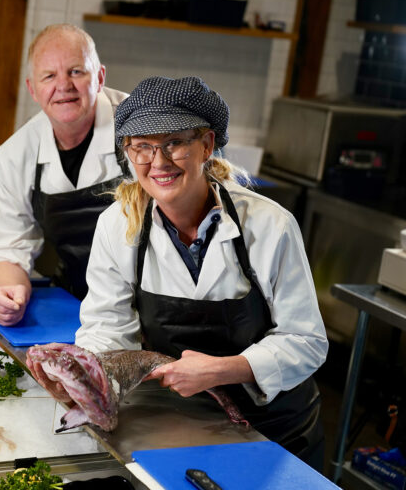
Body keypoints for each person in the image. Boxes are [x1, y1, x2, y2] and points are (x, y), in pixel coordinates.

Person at [73, 76, 329, 469]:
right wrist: (88, 375)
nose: (159, 162)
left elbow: (306, 340)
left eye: (174, 143)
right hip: (181, 422)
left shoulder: (270, 225)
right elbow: (107, 326)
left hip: (276, 430)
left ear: (206, 145)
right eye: (142, 146)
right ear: (127, 152)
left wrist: (222, 370)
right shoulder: (117, 224)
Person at [0, 24, 130, 325]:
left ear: (100, 77)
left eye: (76, 71)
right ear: (32, 89)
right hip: (75, 302)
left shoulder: (141, 129)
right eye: (49, 76)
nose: (63, 85)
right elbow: (7, 244)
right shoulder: (17, 152)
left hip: (151, 300)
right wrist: (8, 292)